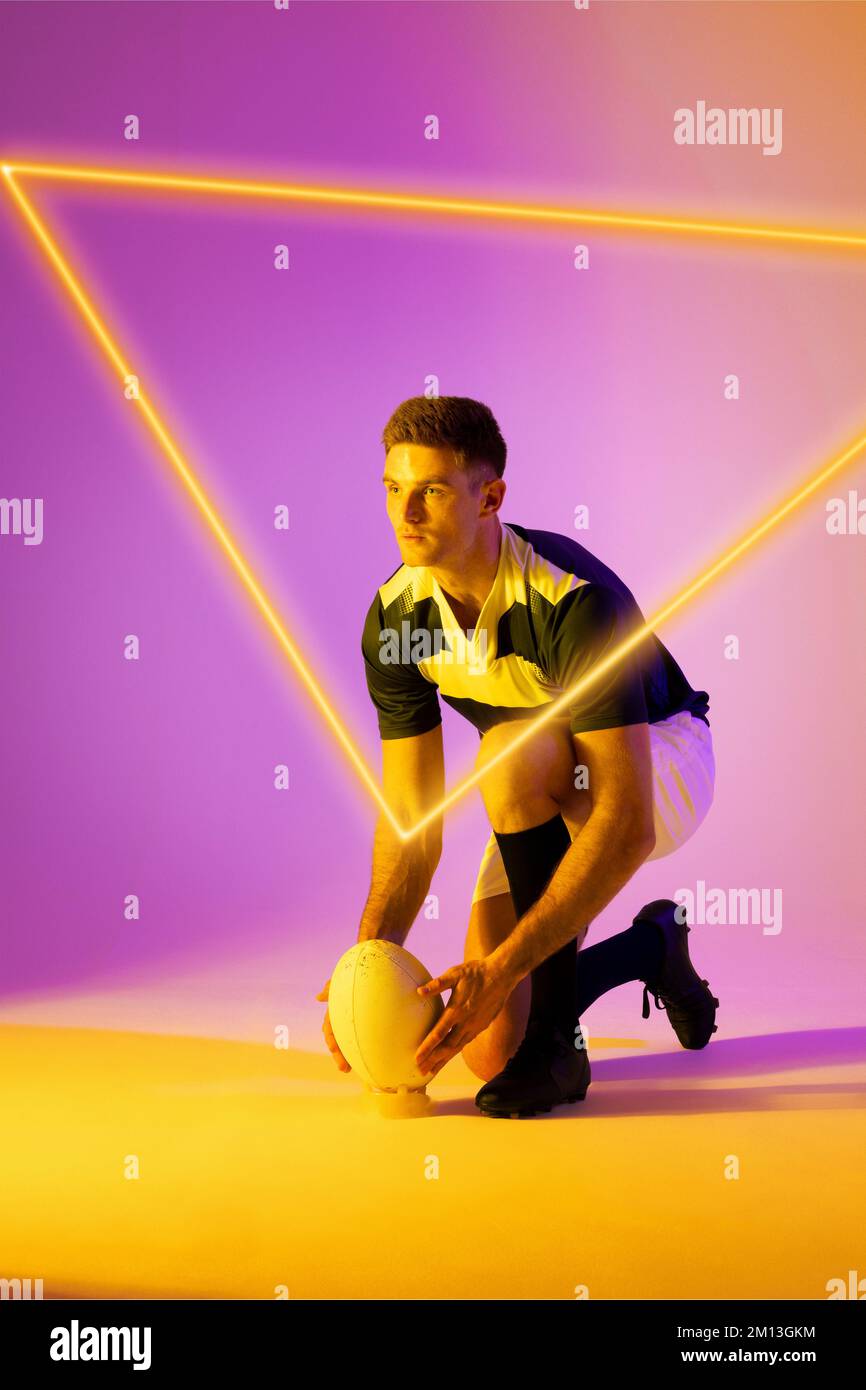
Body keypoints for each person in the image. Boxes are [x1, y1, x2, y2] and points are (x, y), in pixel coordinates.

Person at [318, 396, 718, 1118]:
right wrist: (364, 968)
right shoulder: (397, 622)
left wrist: (501, 969)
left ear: (490, 497)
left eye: (431, 492)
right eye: (393, 490)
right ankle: (650, 951)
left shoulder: (569, 602)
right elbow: (411, 817)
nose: (405, 513)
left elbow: (627, 824)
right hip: (541, 775)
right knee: (489, 1052)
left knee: (504, 752)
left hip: (659, 762)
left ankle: (558, 1052)